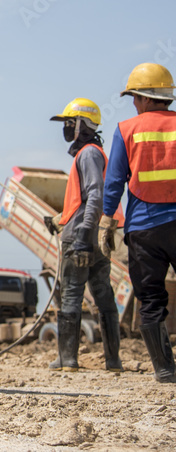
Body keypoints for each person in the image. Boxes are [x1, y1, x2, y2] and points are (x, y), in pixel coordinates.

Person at [102, 62, 176, 384]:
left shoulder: (126, 129)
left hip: (144, 229)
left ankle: (164, 369)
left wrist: (107, 220)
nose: (133, 103)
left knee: (151, 298)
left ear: (145, 98)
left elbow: (115, 180)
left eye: (134, 97)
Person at [47, 98, 122, 372]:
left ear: (83, 125)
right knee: (104, 297)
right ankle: (113, 361)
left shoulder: (88, 154)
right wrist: (58, 220)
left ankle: (67, 359)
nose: (66, 129)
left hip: (81, 239)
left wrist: (80, 237)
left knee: (70, 296)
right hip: (94, 238)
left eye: (69, 123)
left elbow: (95, 197)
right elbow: (80, 203)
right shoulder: (94, 153)